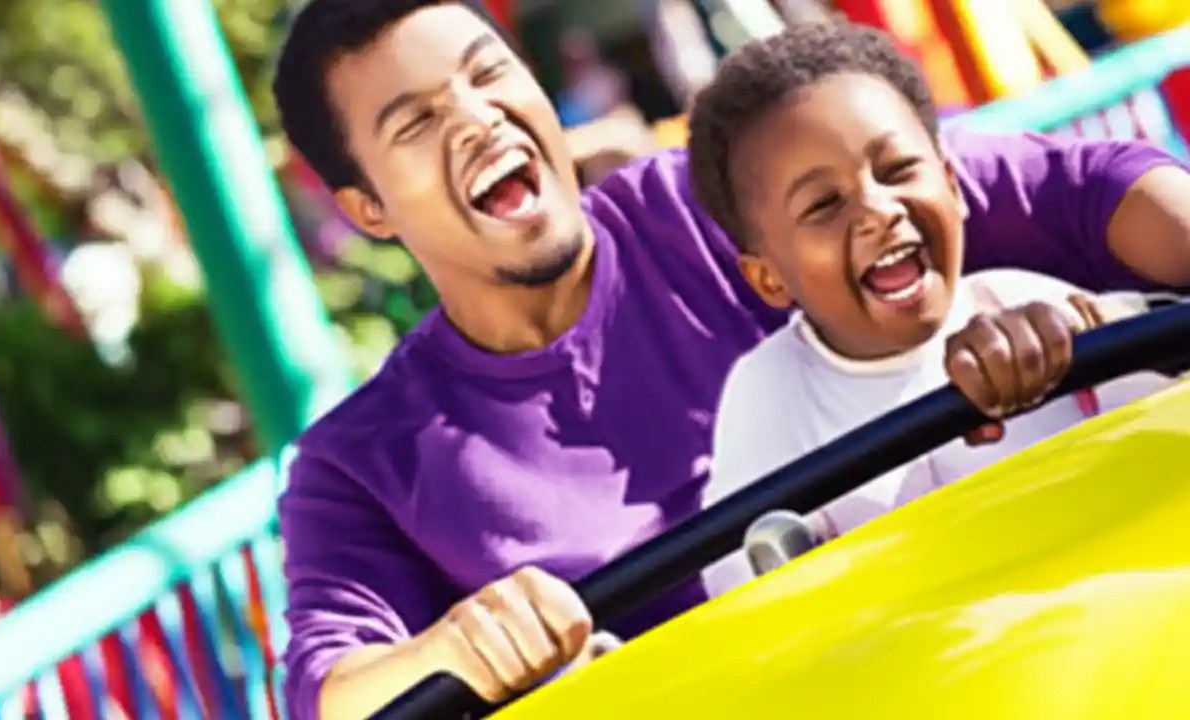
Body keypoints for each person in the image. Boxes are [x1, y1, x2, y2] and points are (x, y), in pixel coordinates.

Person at [269, 2, 1190, 718]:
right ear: (368, 208)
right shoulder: (360, 464)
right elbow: (331, 689)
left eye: (488, 75)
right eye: (418, 123)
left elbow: (1080, 189)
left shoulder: (736, 198)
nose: (478, 122)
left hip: (984, 655)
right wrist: (457, 648)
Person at [689, 22, 1180, 597]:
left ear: (952, 184)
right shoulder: (770, 392)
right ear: (768, 277)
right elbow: (743, 580)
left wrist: (1089, 335)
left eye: (898, 170)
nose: (879, 210)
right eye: (823, 204)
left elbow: (1166, 423)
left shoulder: (1027, 302)